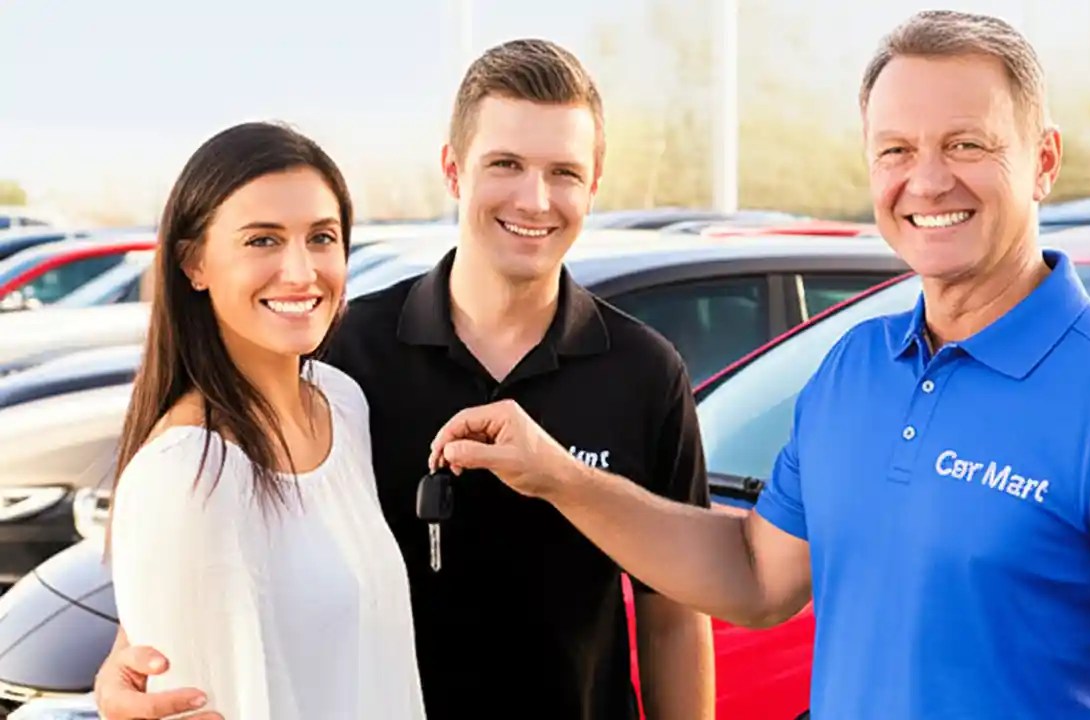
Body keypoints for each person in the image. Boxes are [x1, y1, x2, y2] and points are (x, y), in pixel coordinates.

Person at [426, 11, 1090, 720]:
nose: (926, 180)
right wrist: (558, 475)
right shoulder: (855, 368)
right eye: (896, 149)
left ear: (1043, 159)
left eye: (966, 144)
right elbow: (754, 575)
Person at [94, 40, 714, 720]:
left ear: (593, 184)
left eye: (563, 171)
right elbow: (207, 552)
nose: (535, 198)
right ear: (453, 169)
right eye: (505, 163)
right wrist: (130, 663)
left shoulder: (646, 371)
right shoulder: (343, 363)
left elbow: (674, 619)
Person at [103, 122, 427, 719]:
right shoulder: (185, 475)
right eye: (262, 241)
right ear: (193, 263)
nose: (301, 272)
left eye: (322, 237)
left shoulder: (343, 403)